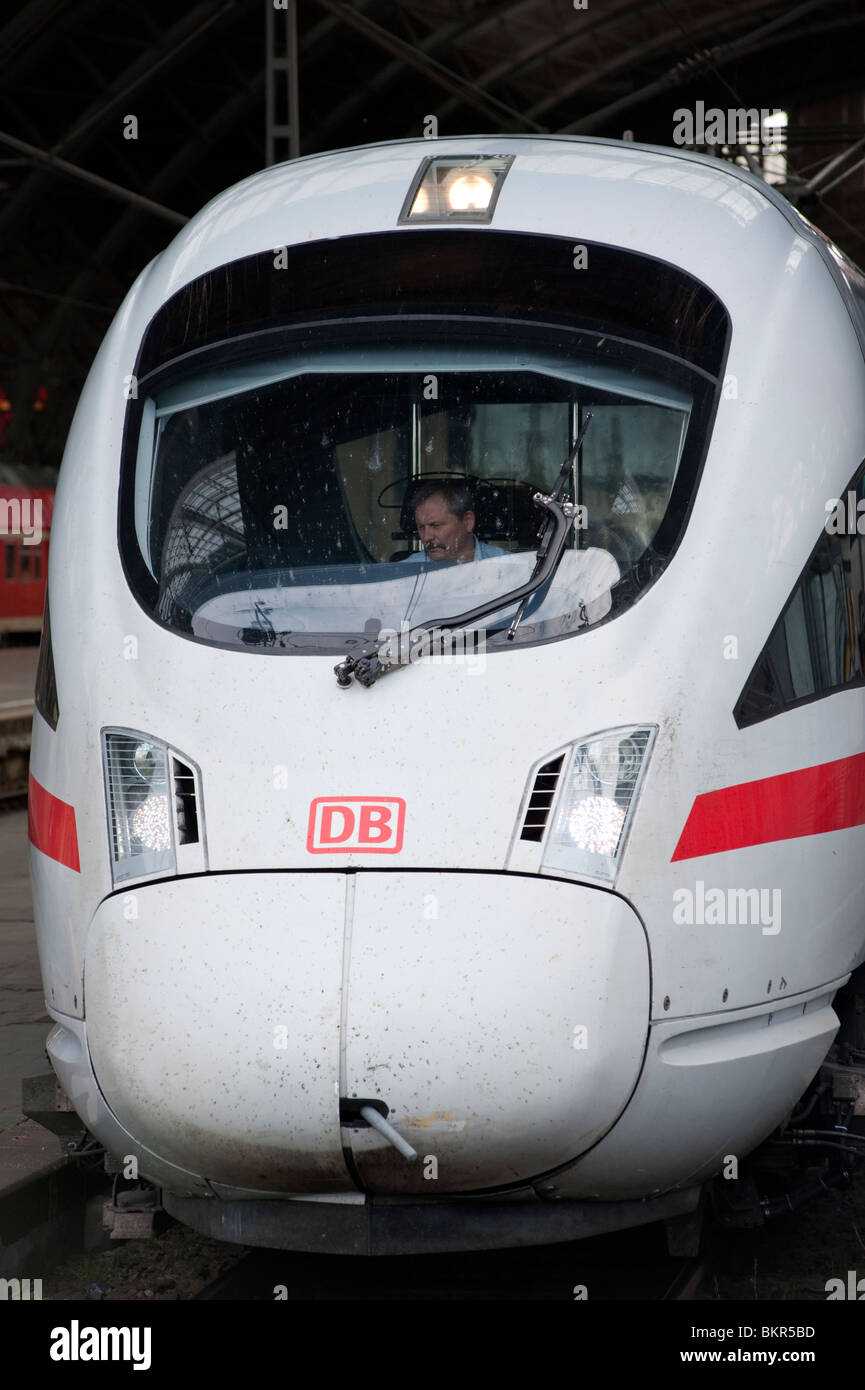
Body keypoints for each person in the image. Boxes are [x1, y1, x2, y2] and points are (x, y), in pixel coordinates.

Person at [401, 479, 503, 564]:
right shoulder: (406, 573)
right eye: (421, 527)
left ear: (468, 522)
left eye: (435, 525)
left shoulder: (505, 565)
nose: (426, 537)